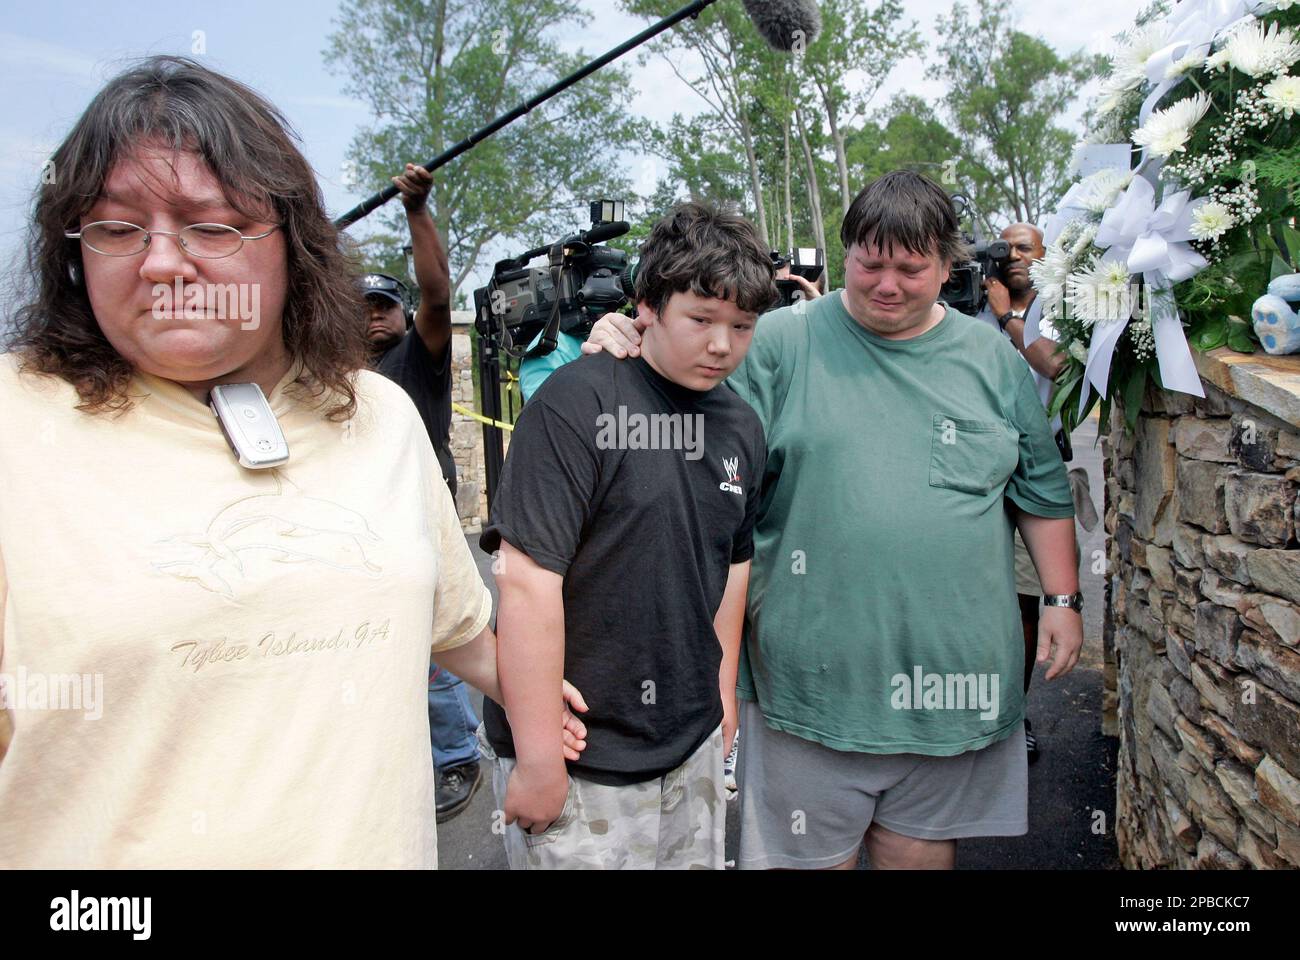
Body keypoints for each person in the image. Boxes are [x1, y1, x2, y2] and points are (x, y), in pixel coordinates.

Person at [0, 56, 586, 868]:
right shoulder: (16, 431)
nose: (162, 263)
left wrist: (544, 706)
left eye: (210, 225)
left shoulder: (377, 412)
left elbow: (459, 627)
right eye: (117, 226)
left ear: (293, 243)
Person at [585, 171, 1083, 870]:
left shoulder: (991, 358)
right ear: (845, 252)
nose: (887, 284)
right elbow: (684, 413)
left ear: (947, 265)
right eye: (868, 263)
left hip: (949, 685)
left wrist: (1061, 598)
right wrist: (628, 345)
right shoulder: (779, 343)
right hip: (808, 686)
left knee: (920, 852)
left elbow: (1039, 484)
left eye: (910, 269)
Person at [479, 202, 776, 869]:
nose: (722, 344)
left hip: (688, 742)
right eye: (700, 319)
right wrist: (536, 759)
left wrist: (723, 690)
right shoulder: (575, 403)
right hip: (581, 754)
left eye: (741, 325)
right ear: (648, 305)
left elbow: (734, 563)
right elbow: (526, 582)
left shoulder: (741, 426)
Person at [364, 163, 482, 821]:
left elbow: (437, 295)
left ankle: (458, 754)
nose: (373, 317)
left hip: (418, 518)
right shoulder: (335, 376)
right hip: (362, 527)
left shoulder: (416, 356)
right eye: (361, 307)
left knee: (434, 644)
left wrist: (417, 210)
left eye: (384, 305)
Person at [979, 222, 1094, 762]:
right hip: (974, 467)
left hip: (1035, 469)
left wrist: (1008, 317)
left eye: (1026, 249)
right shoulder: (967, 299)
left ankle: (1011, 714)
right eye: (1006, 249)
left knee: (1026, 601)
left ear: (1046, 258)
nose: (1013, 257)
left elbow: (1056, 364)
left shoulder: (1061, 308)